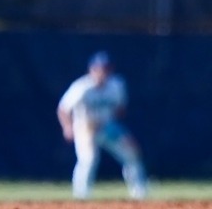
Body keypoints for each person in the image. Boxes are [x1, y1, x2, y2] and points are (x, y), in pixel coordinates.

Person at [57, 51, 148, 200]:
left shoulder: (117, 85)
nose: (103, 72)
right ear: (92, 69)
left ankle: (139, 192)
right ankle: (81, 195)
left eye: (106, 68)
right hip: (86, 127)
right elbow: (63, 108)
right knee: (88, 159)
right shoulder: (82, 87)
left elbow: (120, 109)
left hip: (107, 126)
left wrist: (117, 129)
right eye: (99, 68)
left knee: (132, 153)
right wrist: (68, 127)